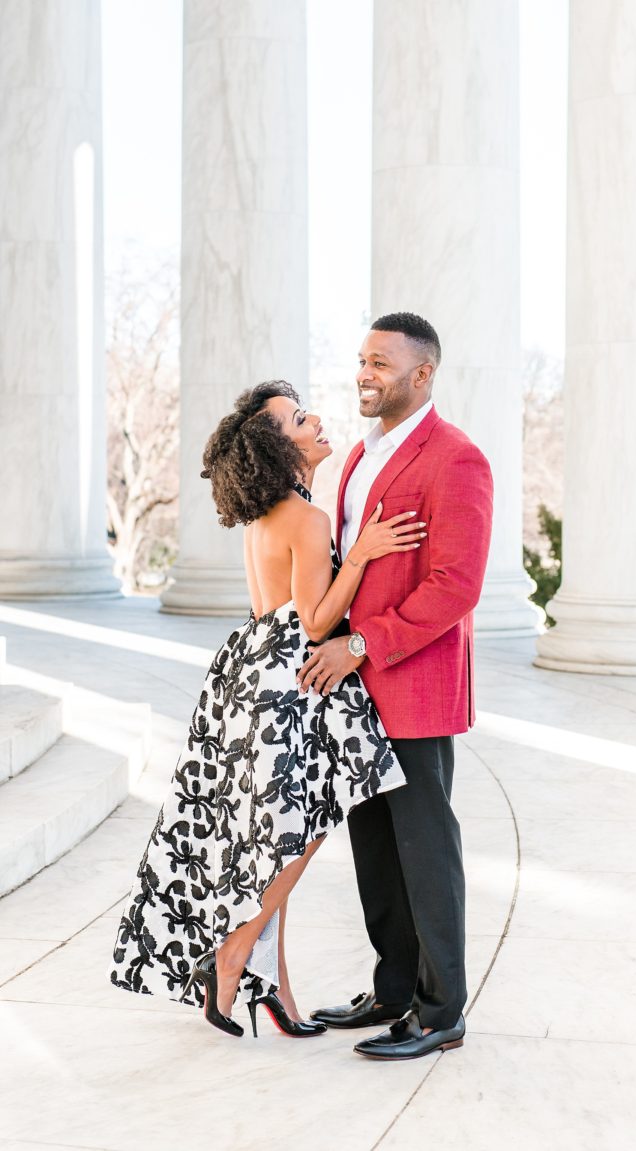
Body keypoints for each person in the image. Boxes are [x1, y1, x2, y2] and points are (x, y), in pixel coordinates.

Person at [109, 381, 423, 1040]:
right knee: (297, 834)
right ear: (279, 450)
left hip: (253, 668)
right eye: (298, 419)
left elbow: (275, 609)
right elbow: (314, 618)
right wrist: (361, 553)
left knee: (273, 833)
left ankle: (275, 990)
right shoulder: (305, 519)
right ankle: (232, 952)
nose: (315, 420)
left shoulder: (268, 515)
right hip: (292, 680)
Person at [298, 313, 494, 1061]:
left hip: (411, 683)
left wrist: (360, 643)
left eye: (380, 362)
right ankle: (392, 987)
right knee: (374, 844)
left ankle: (441, 1009)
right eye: (360, 360)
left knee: (423, 846)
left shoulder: (458, 460)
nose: (364, 373)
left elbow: (456, 585)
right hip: (353, 690)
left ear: (423, 373)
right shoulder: (357, 456)